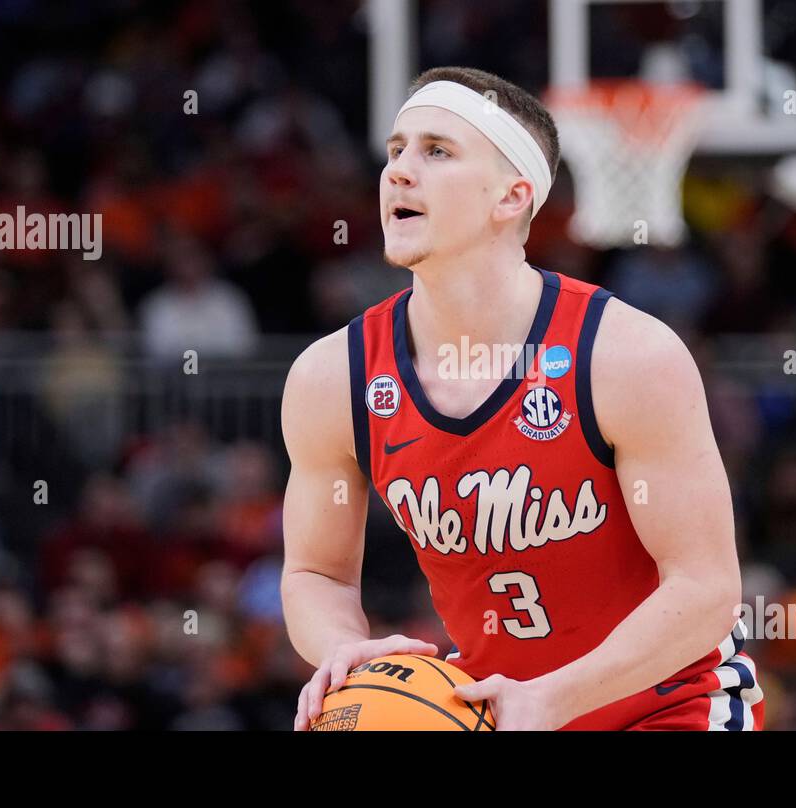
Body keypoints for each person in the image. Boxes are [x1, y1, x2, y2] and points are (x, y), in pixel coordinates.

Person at [280, 66, 763, 730]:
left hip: (670, 703)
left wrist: (553, 697)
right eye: (395, 150)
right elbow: (316, 573)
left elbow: (707, 589)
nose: (398, 171)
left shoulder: (626, 357)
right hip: (499, 711)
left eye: (437, 151)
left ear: (512, 196)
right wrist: (342, 647)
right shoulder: (332, 378)